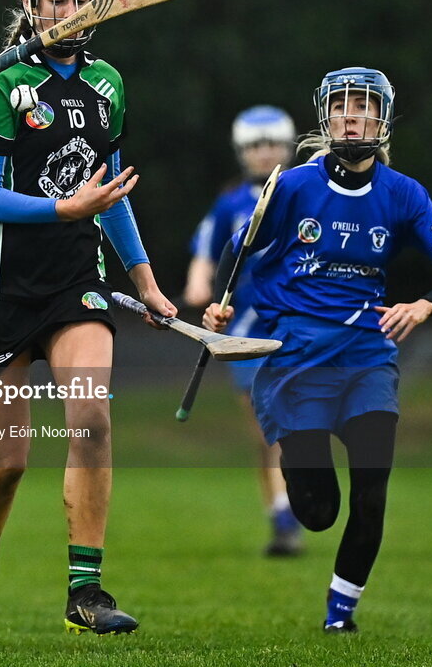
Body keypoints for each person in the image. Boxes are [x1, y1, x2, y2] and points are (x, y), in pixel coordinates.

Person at [0, 0, 176, 651]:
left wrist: (146, 282)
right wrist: (63, 209)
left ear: (93, 3)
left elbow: (110, 194)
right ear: (27, 4)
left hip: (72, 279)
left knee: (90, 417)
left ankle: (85, 592)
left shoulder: (108, 85)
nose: (60, 11)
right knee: (7, 459)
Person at [203, 67, 432, 633]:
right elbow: (239, 249)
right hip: (297, 362)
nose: (353, 116)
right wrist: (219, 306)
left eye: (365, 107)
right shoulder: (294, 186)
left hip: (367, 358)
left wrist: (421, 306)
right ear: (325, 118)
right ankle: (298, 493)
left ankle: (340, 613)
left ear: (382, 120)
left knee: (371, 490)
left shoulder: (404, 194)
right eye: (343, 107)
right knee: (319, 511)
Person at [184, 105, 304, 557]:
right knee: (266, 434)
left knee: (291, 428)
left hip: (297, 328)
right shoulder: (231, 204)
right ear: (241, 152)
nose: (264, 153)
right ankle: (282, 516)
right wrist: (198, 284)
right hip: (244, 335)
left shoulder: (306, 192)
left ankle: (288, 510)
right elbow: (205, 249)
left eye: (272, 144)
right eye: (255, 146)